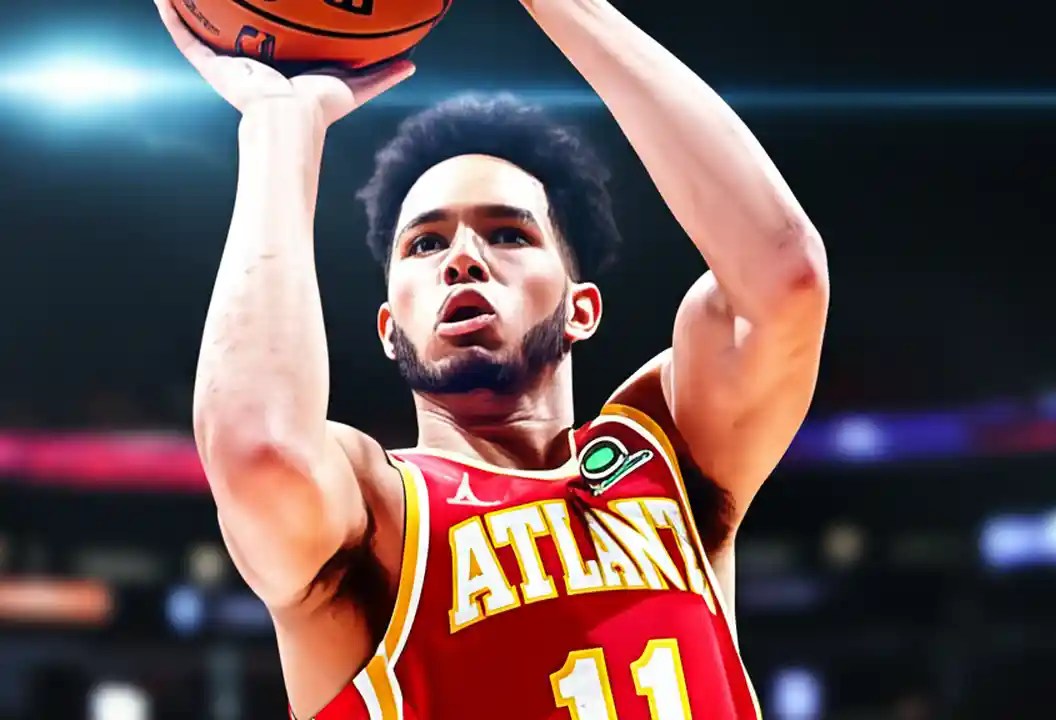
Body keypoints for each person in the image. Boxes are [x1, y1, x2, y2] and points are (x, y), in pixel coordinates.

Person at [155, 0, 828, 716]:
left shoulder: (664, 460)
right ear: (389, 327)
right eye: (425, 244)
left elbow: (785, 280)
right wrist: (278, 130)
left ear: (581, 307)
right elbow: (257, 450)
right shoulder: (379, 512)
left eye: (508, 235)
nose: (463, 259)